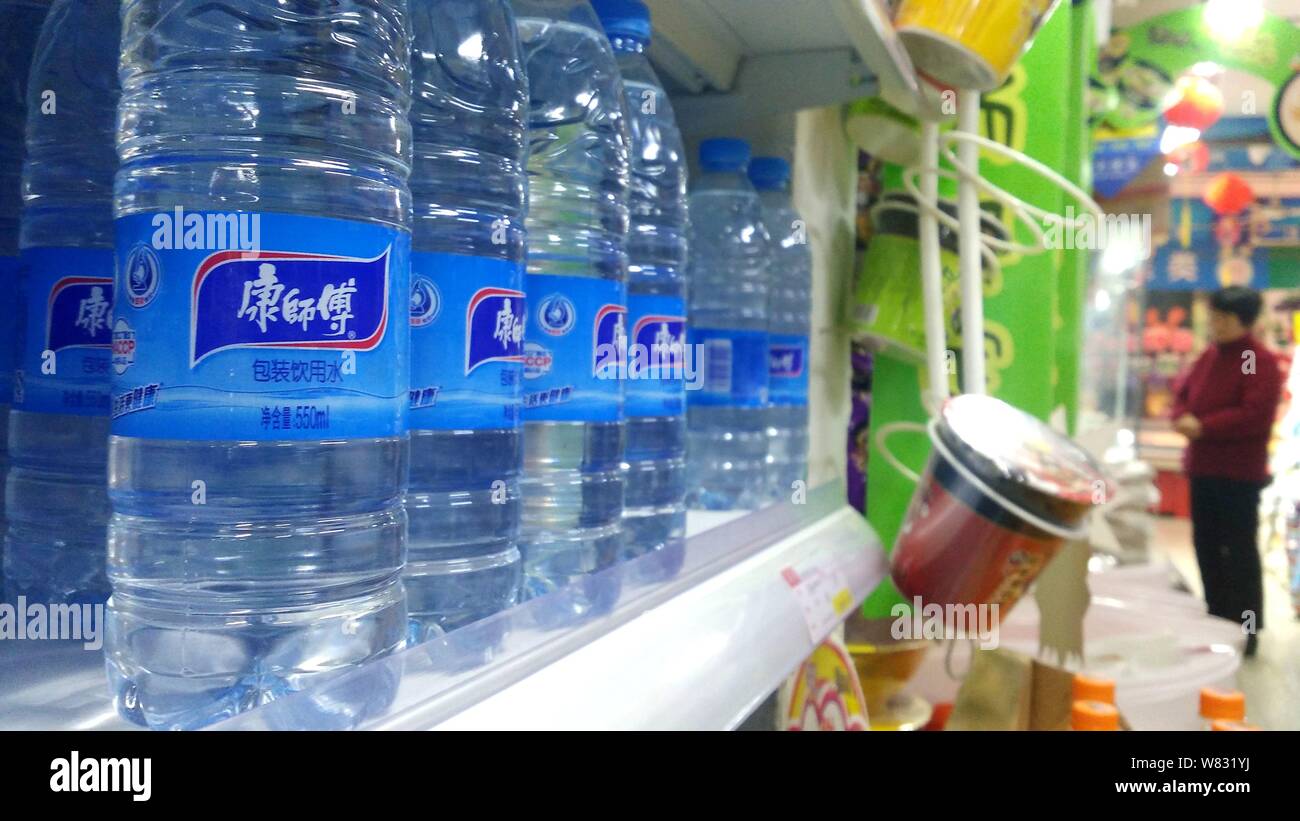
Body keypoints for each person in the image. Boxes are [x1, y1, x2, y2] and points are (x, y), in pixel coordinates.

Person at [1171, 286, 1282, 657]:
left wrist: (1204, 426)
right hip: (1203, 469)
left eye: (1223, 318)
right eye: (1213, 317)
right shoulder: (1209, 356)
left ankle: (1246, 628)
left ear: (1243, 321)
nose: (1215, 324)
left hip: (1236, 474)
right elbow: (1182, 395)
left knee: (1238, 552)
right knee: (1205, 545)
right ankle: (1216, 616)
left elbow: (1253, 413)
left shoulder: (1251, 357)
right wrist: (1181, 418)